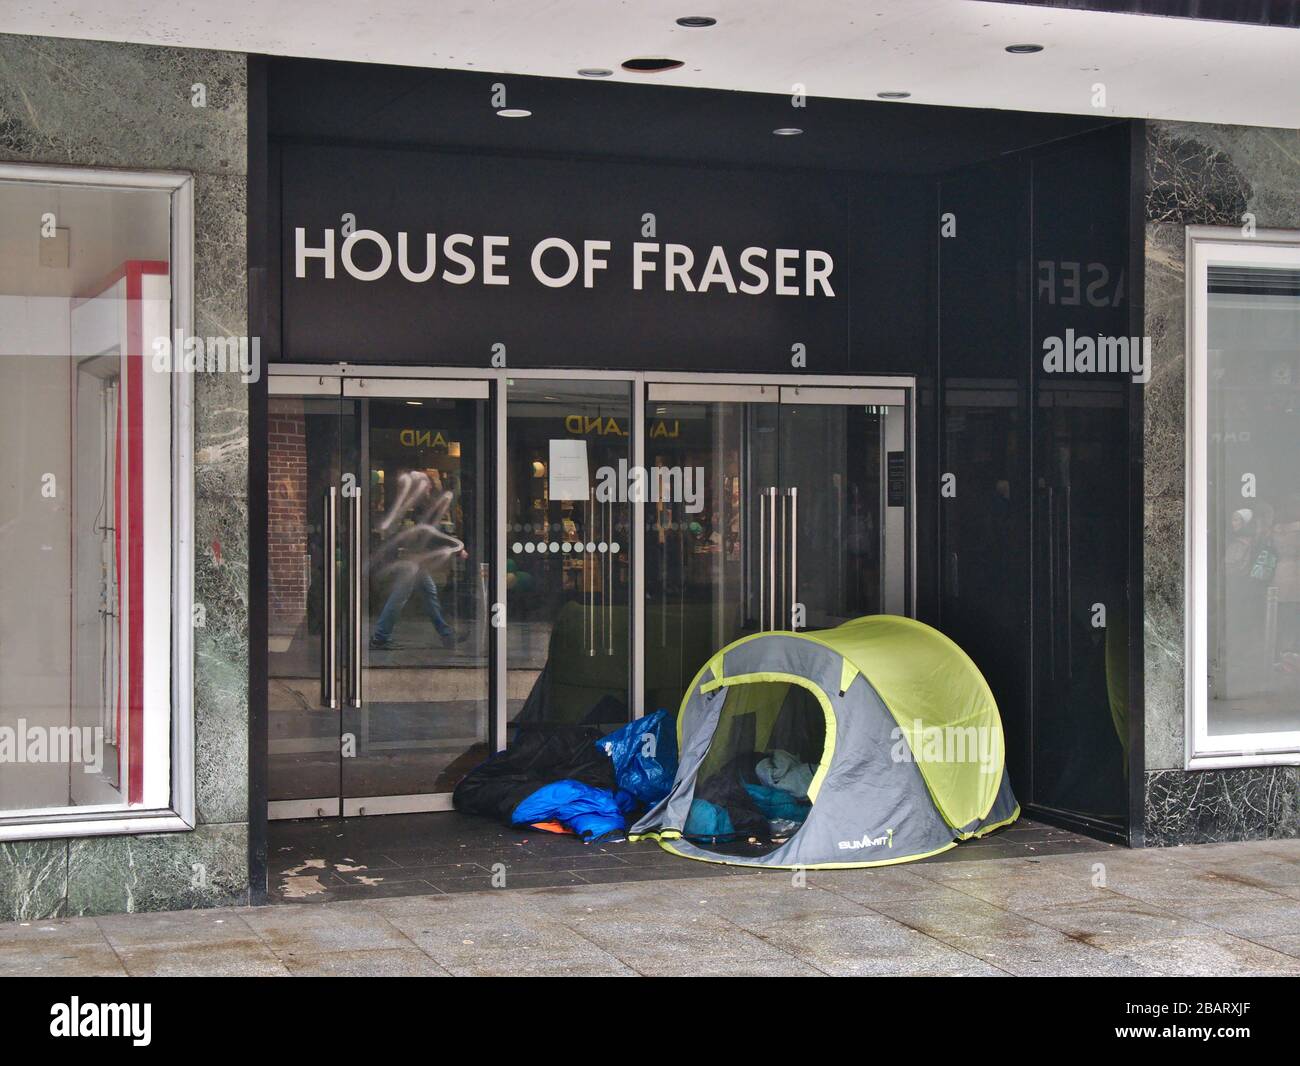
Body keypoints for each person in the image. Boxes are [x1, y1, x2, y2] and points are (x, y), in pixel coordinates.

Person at [370, 469, 467, 650]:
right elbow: (429, 534)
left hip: (412, 559)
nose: (431, 484)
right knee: (400, 596)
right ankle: (380, 636)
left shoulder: (415, 504)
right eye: (429, 482)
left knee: (428, 592)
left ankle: (446, 634)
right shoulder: (423, 505)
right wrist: (457, 548)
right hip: (411, 560)